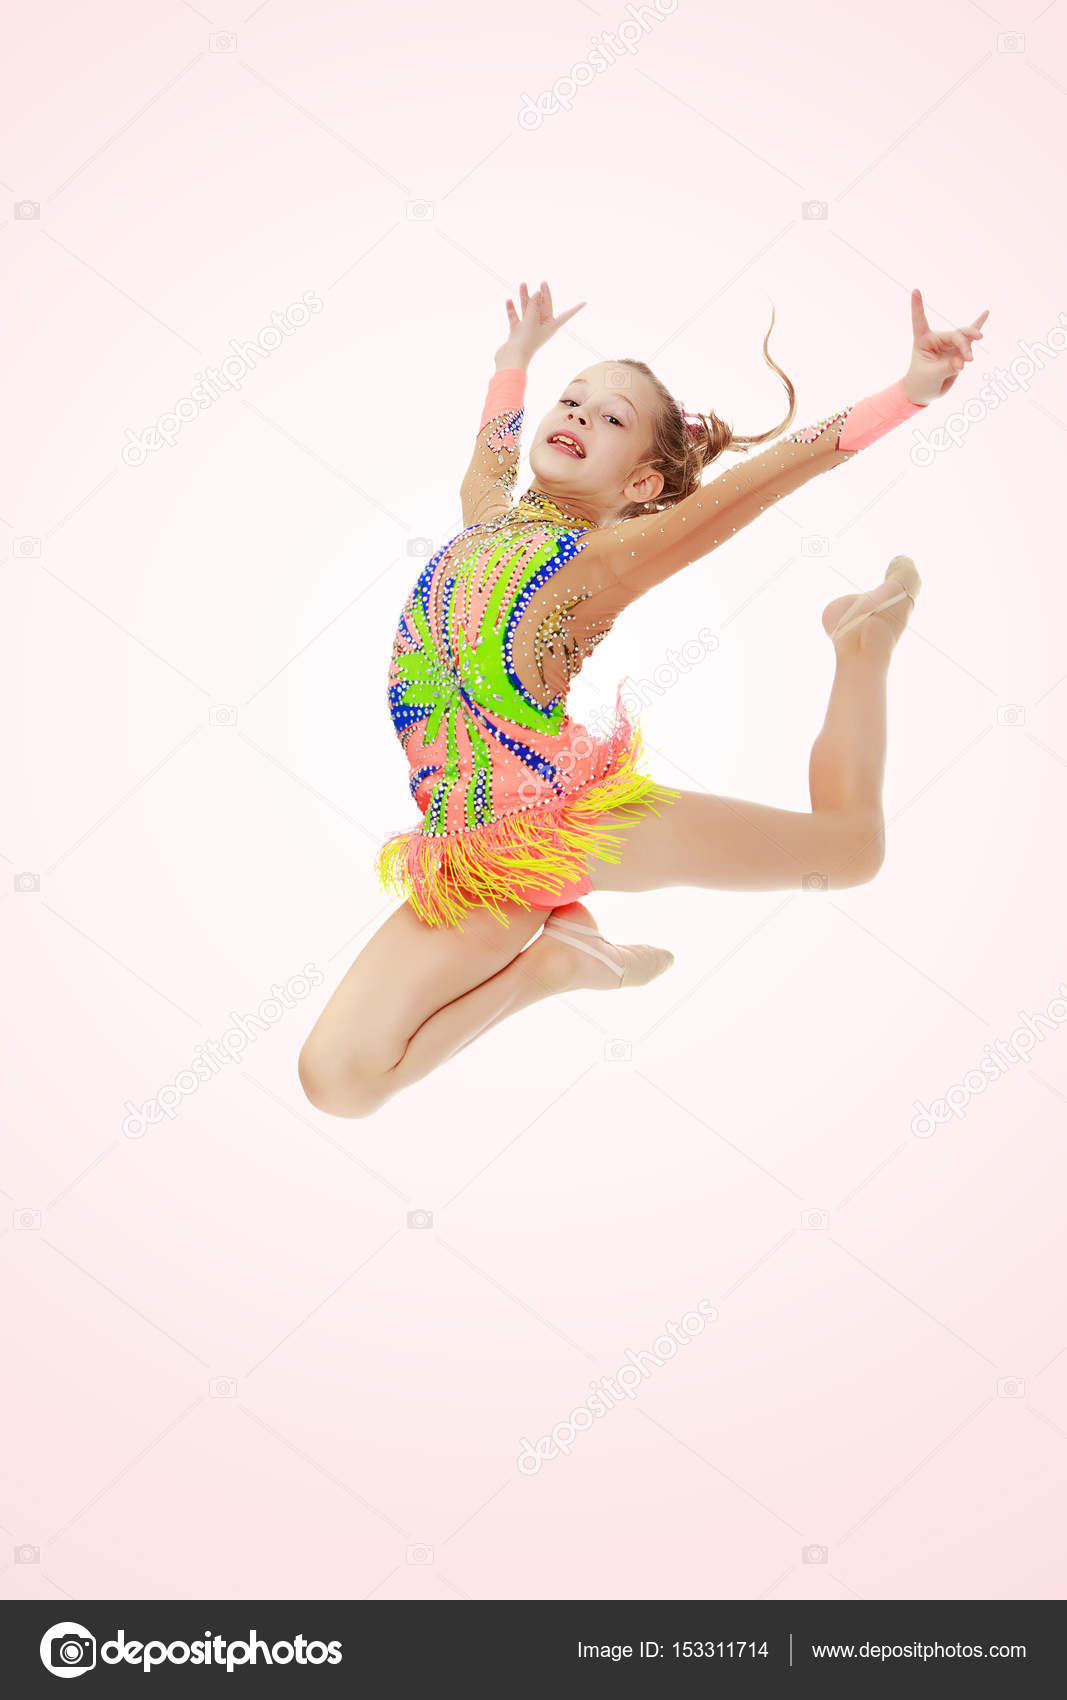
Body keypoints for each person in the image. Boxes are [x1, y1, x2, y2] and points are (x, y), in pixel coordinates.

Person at [298, 281, 988, 1117]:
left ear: (639, 484)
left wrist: (908, 392)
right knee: (337, 1081)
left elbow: (762, 479)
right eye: (573, 400)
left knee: (850, 851)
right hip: (473, 860)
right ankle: (557, 966)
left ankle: (861, 645)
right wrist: (514, 360)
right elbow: (490, 449)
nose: (579, 415)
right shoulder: (484, 517)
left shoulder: (603, 564)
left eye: (611, 418)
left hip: (571, 826)